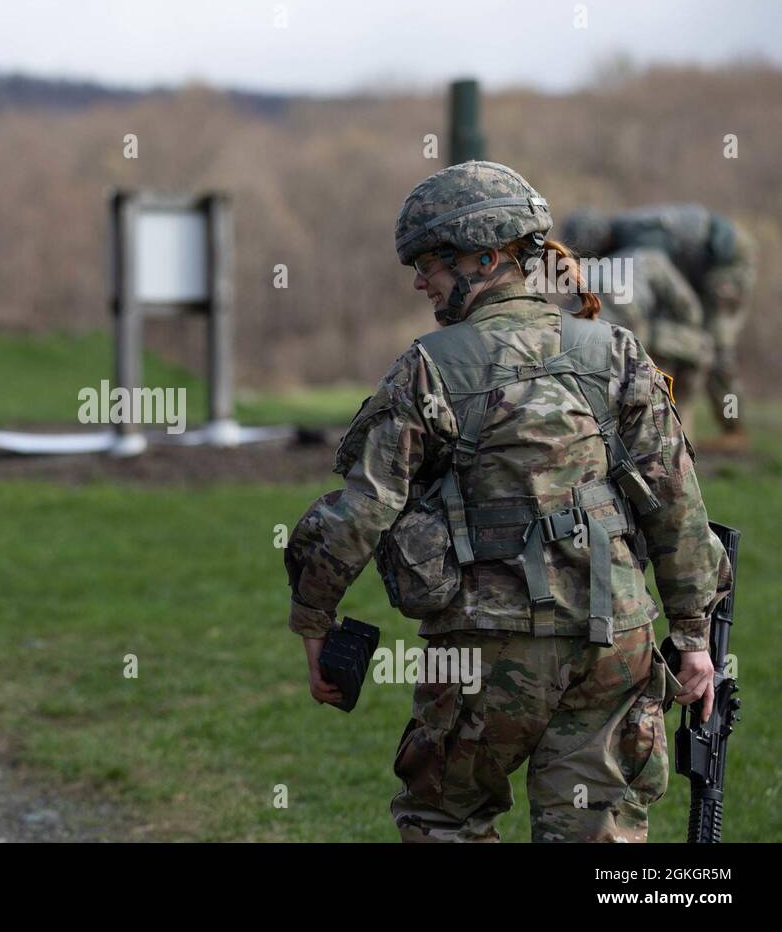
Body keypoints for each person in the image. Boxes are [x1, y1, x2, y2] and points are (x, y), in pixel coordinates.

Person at [284, 161, 732, 842]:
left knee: (444, 820)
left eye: (430, 261)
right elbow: (678, 508)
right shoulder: (614, 351)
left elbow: (362, 510)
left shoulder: (430, 366)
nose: (418, 279)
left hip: (483, 652)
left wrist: (315, 620)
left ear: (486, 258)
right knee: (594, 831)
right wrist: (694, 639)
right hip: (612, 642)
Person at [564, 205, 755, 453]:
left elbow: (679, 299)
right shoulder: (623, 254)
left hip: (725, 259)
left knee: (717, 347)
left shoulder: (642, 245)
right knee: (678, 350)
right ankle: (672, 432)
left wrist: (686, 339)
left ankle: (733, 429)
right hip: (655, 309)